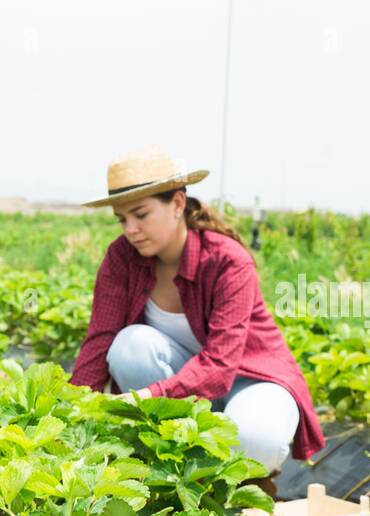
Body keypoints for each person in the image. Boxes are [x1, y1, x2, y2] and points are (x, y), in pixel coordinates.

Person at [70, 146, 325, 478]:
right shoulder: (122, 258)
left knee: (256, 438)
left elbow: (220, 367)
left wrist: (148, 397)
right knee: (129, 345)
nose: (130, 228)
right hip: (184, 386)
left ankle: (246, 484)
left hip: (250, 379)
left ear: (177, 204)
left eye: (141, 215)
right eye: (122, 219)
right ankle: (172, 472)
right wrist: (72, 414)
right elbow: (99, 340)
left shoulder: (226, 260)